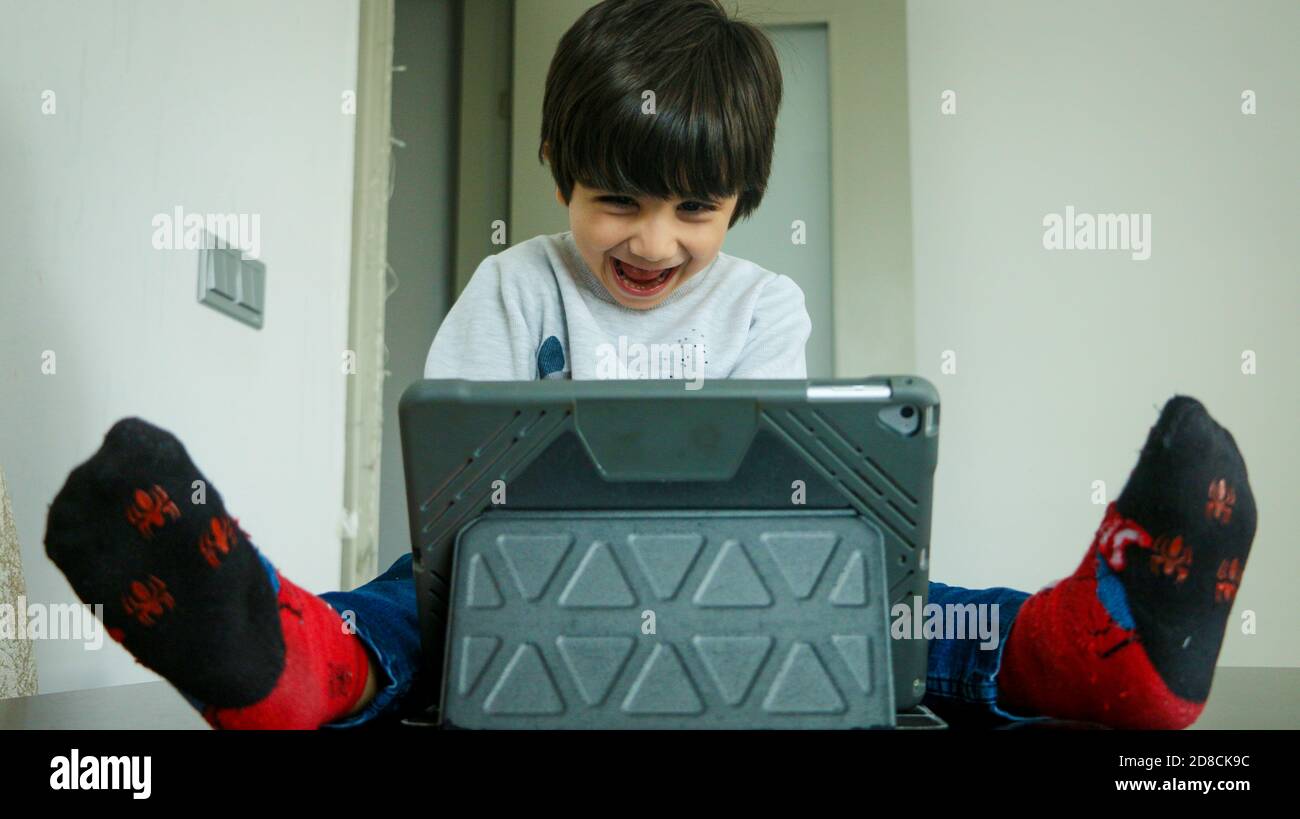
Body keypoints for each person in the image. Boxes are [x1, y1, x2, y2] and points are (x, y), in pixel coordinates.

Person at [44, 0, 1256, 730]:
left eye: (696, 208)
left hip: (745, 588)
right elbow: (459, 497)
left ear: (742, 200)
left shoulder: (765, 305)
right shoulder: (513, 288)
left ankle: (1105, 649)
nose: (653, 241)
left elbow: (792, 493)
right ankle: (279, 661)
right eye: (614, 200)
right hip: (513, 591)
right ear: (557, 170)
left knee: (900, 616)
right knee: (402, 614)